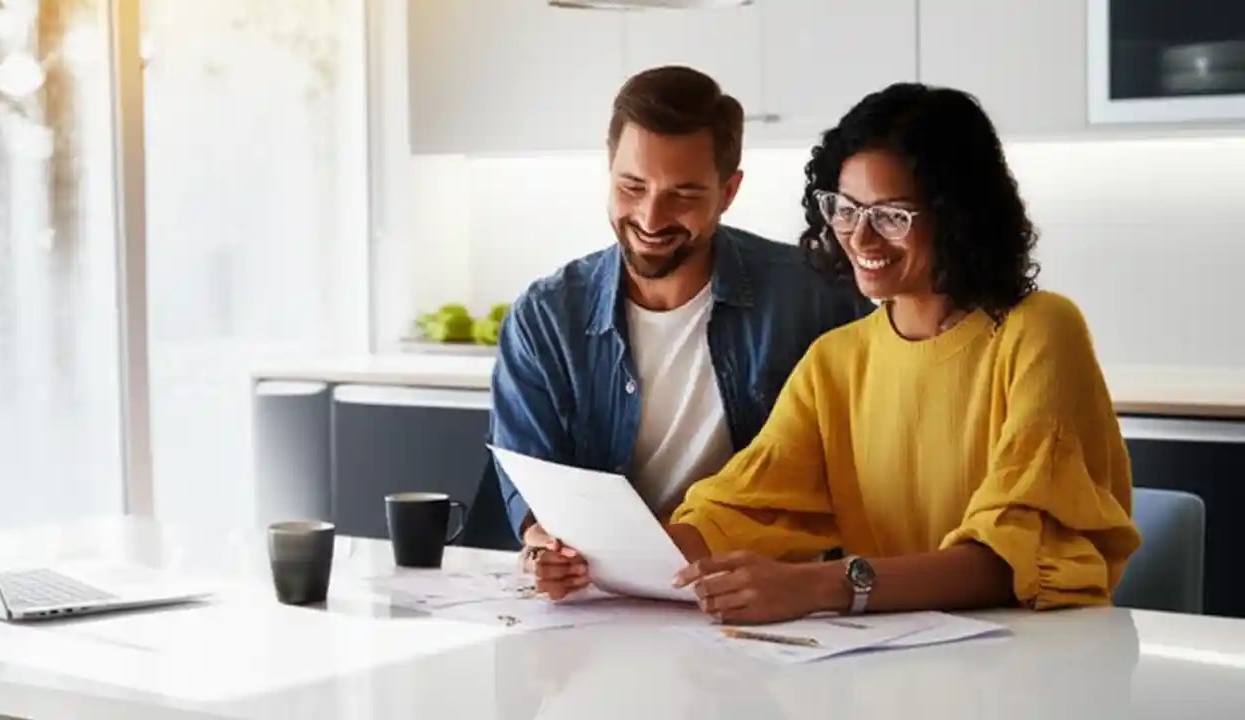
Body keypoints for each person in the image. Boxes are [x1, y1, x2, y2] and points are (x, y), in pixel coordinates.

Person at [665, 83, 1142, 623]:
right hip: (891, 667)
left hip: (1028, 665)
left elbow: (1011, 561)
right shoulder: (836, 361)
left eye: (891, 216)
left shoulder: (1039, 331)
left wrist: (820, 585)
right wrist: (602, 557)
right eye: (845, 209)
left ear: (958, 215)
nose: (861, 238)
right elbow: (740, 510)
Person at [489, 66, 870, 599]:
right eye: (632, 186)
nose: (650, 216)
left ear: (729, 191)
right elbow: (532, 493)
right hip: (608, 608)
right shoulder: (543, 319)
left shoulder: (818, 298)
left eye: (683, 194)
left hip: (773, 601)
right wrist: (542, 548)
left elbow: (859, 477)